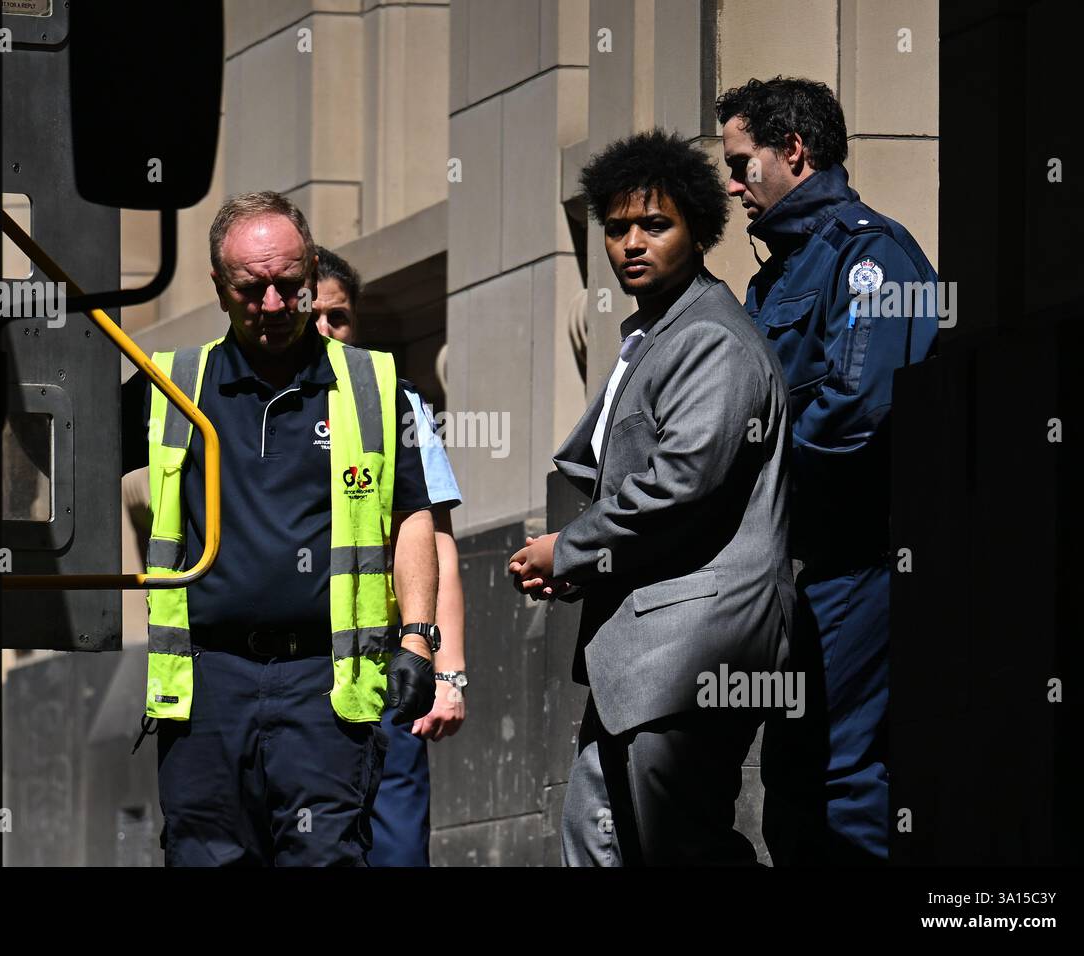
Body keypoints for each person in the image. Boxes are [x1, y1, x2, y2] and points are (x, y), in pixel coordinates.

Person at [121, 191, 441, 866]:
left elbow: (411, 512)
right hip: (208, 684)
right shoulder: (170, 386)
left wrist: (416, 636)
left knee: (325, 855)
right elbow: (61, 465)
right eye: (251, 289)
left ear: (311, 271)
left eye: (289, 286)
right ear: (217, 286)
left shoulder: (372, 385)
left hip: (324, 685)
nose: (272, 305)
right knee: (207, 857)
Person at [508, 129, 794, 866]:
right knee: (597, 840)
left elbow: (682, 482)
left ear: (697, 230)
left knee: (678, 848)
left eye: (655, 225)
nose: (632, 243)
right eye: (618, 228)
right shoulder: (658, 333)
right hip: (643, 652)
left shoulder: (710, 340)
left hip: (694, 647)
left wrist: (568, 548)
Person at [716, 76, 939, 865]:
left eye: (743, 164)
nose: (734, 184)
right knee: (796, 784)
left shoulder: (871, 254)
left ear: (794, 150)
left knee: (838, 780)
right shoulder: (777, 273)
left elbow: (859, 410)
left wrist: (748, 471)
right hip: (799, 573)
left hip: (861, 564)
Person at [313, 245, 467, 867]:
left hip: (391, 675)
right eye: (311, 312)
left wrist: (448, 673)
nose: (324, 327)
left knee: (398, 852)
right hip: (296, 676)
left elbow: (438, 543)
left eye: (338, 316)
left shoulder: (394, 403)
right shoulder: (256, 408)